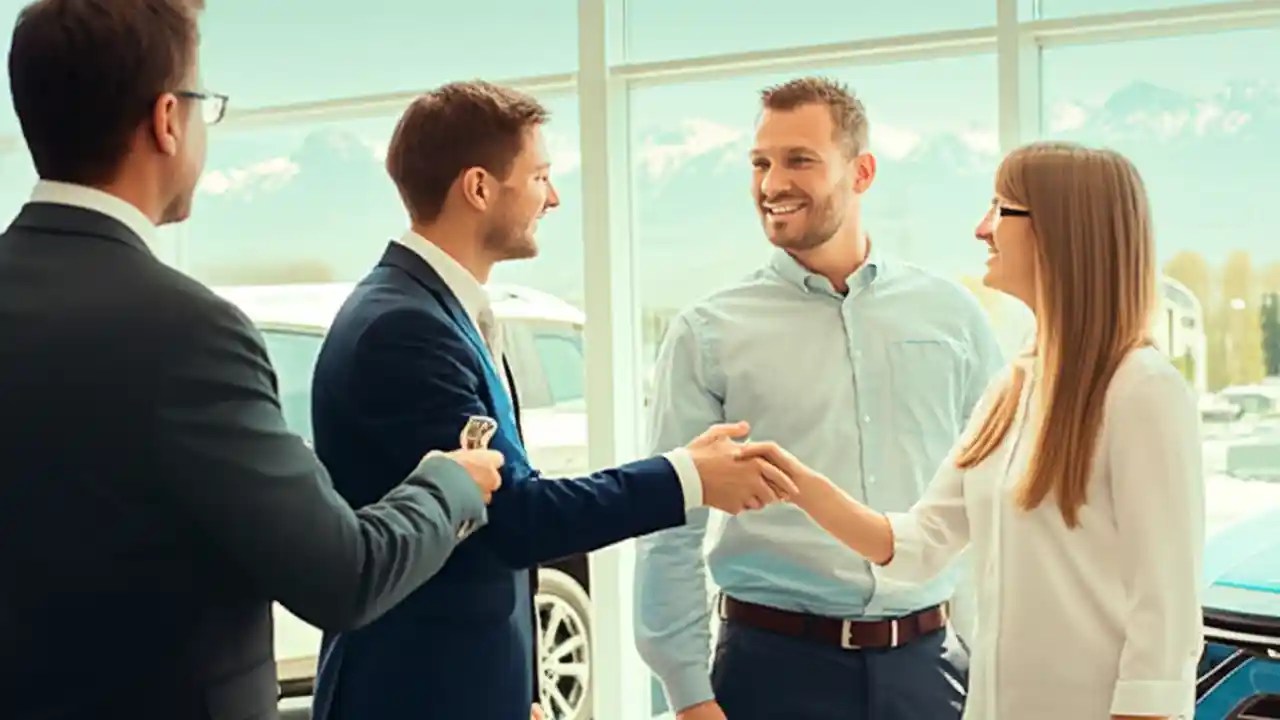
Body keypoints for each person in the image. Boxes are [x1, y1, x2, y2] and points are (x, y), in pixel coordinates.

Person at [0, 2, 504, 718]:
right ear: (168, 119)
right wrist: (448, 482)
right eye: (205, 105)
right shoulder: (188, 334)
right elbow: (343, 576)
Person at [306, 79, 797, 720]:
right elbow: (517, 518)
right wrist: (688, 478)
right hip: (415, 694)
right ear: (479, 188)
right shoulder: (404, 329)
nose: (554, 197)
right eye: (540, 176)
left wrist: (516, 691)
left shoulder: (432, 309)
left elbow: (480, 537)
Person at [741, 141, 1206, 720]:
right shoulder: (1011, 388)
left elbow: (1166, 620)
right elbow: (918, 543)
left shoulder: (1144, 391)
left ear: (1063, 230)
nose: (982, 229)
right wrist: (795, 480)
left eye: (1001, 208)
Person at [634, 76, 1005, 720]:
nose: (772, 183)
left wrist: (990, 667)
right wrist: (690, 698)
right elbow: (669, 529)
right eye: (761, 162)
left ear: (861, 172)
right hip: (770, 673)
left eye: (799, 160)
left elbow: (991, 508)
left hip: (931, 671)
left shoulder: (953, 317)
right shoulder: (708, 332)